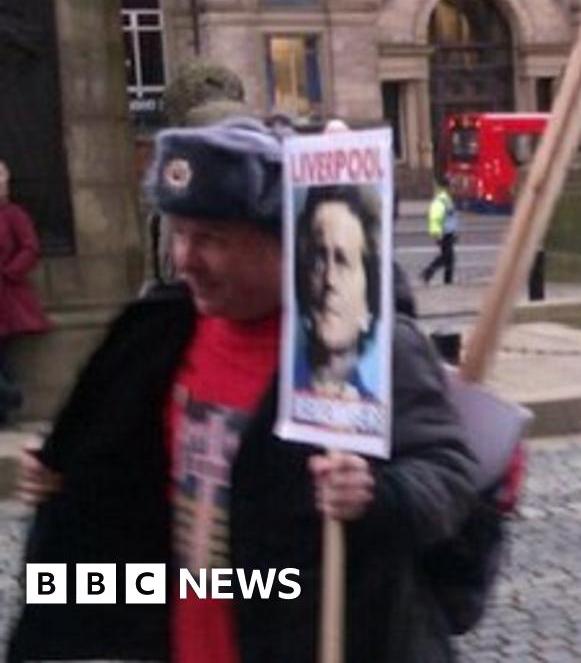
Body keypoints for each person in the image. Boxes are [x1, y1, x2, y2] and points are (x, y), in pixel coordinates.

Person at [8, 117, 478, 662]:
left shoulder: (359, 339)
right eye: (179, 232)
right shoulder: (159, 331)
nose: (184, 260)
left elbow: (449, 472)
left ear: (283, 241)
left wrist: (379, 495)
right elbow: (128, 486)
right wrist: (71, 476)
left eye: (211, 239)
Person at [294, 184, 382, 401]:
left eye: (342, 261)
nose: (330, 279)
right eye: (318, 260)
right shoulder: (278, 386)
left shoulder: (386, 401)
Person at [0, 159, 49, 422]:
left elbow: (30, 248)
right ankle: (9, 399)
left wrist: (10, 272)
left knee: (4, 357)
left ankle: (5, 408)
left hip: (6, 296)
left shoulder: (14, 215)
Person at [420, 176, 458, 285]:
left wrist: (454, 232)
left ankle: (447, 281)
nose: (453, 189)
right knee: (446, 257)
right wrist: (437, 234)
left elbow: (450, 218)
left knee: (449, 258)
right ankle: (428, 272)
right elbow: (435, 218)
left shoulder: (446, 198)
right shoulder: (442, 199)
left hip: (448, 232)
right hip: (444, 234)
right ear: (446, 187)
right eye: (451, 186)